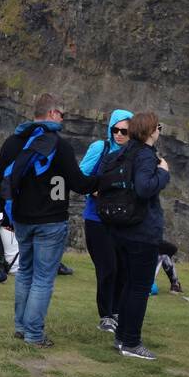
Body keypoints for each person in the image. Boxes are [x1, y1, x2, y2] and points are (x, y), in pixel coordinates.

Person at [0, 93, 98, 347]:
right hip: (51, 221)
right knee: (43, 278)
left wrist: (5, 215)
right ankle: (33, 334)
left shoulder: (12, 142)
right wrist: (103, 180)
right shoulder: (59, 145)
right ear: (52, 113)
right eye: (62, 114)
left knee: (25, 274)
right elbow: (78, 183)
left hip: (21, 219)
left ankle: (21, 327)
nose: (63, 120)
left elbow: (0, 181)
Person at [99, 111, 171, 360]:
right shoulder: (145, 156)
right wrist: (163, 172)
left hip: (121, 229)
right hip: (142, 232)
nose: (159, 130)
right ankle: (131, 342)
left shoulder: (124, 151)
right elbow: (144, 188)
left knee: (129, 285)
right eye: (158, 126)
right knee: (139, 288)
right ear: (151, 131)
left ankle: (122, 338)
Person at [79, 109, 134, 332]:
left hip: (122, 220)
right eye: (116, 130)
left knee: (123, 267)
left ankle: (118, 311)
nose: (119, 135)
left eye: (125, 131)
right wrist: (97, 192)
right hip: (97, 219)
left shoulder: (134, 153)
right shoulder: (99, 149)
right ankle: (106, 315)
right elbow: (81, 177)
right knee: (108, 267)